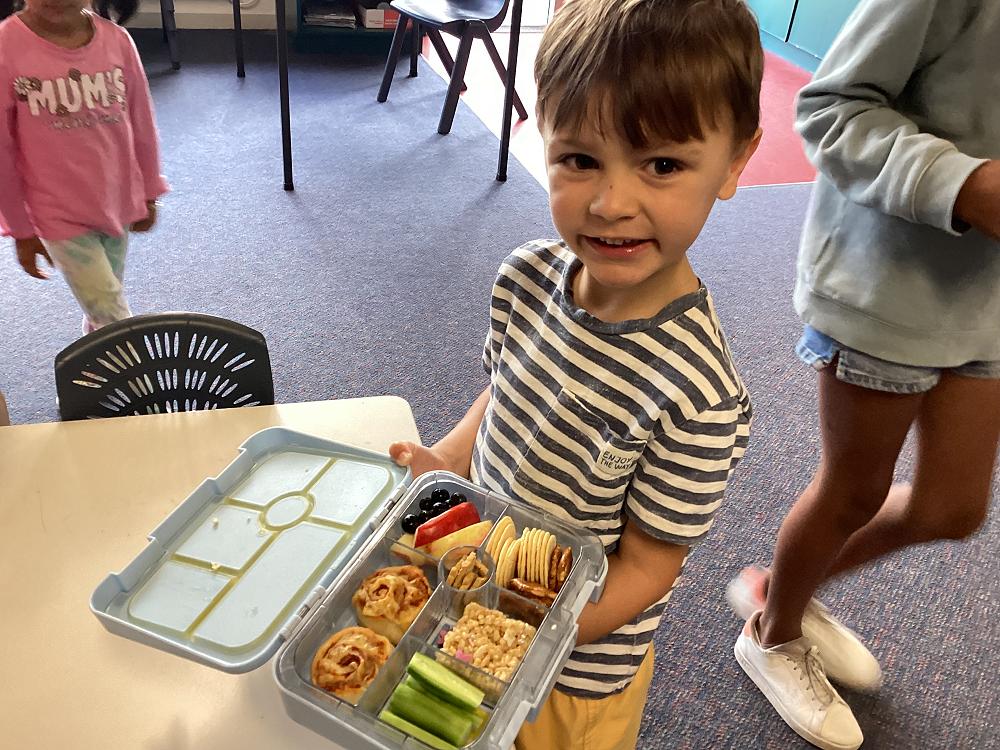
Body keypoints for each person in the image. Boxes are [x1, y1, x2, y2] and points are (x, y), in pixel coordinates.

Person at [390, 1, 762, 746]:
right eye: (580, 159)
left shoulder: (697, 394)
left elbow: (650, 566)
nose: (609, 202)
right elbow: (506, 386)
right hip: (476, 584)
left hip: (572, 671)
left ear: (736, 162)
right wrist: (450, 459)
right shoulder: (525, 276)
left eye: (662, 164)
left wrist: (533, 635)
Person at [727, 1, 1000, 748]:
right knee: (853, 489)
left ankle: (786, 585)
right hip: (886, 285)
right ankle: (773, 631)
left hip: (987, 298)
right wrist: (967, 185)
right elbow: (830, 108)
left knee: (954, 506)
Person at [0, 0, 168, 334]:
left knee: (103, 303)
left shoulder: (117, 41)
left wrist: (149, 190)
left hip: (116, 201)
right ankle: (141, 384)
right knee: (111, 312)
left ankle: (92, 379)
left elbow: (142, 122)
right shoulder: (6, 47)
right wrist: (20, 228)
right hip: (57, 213)